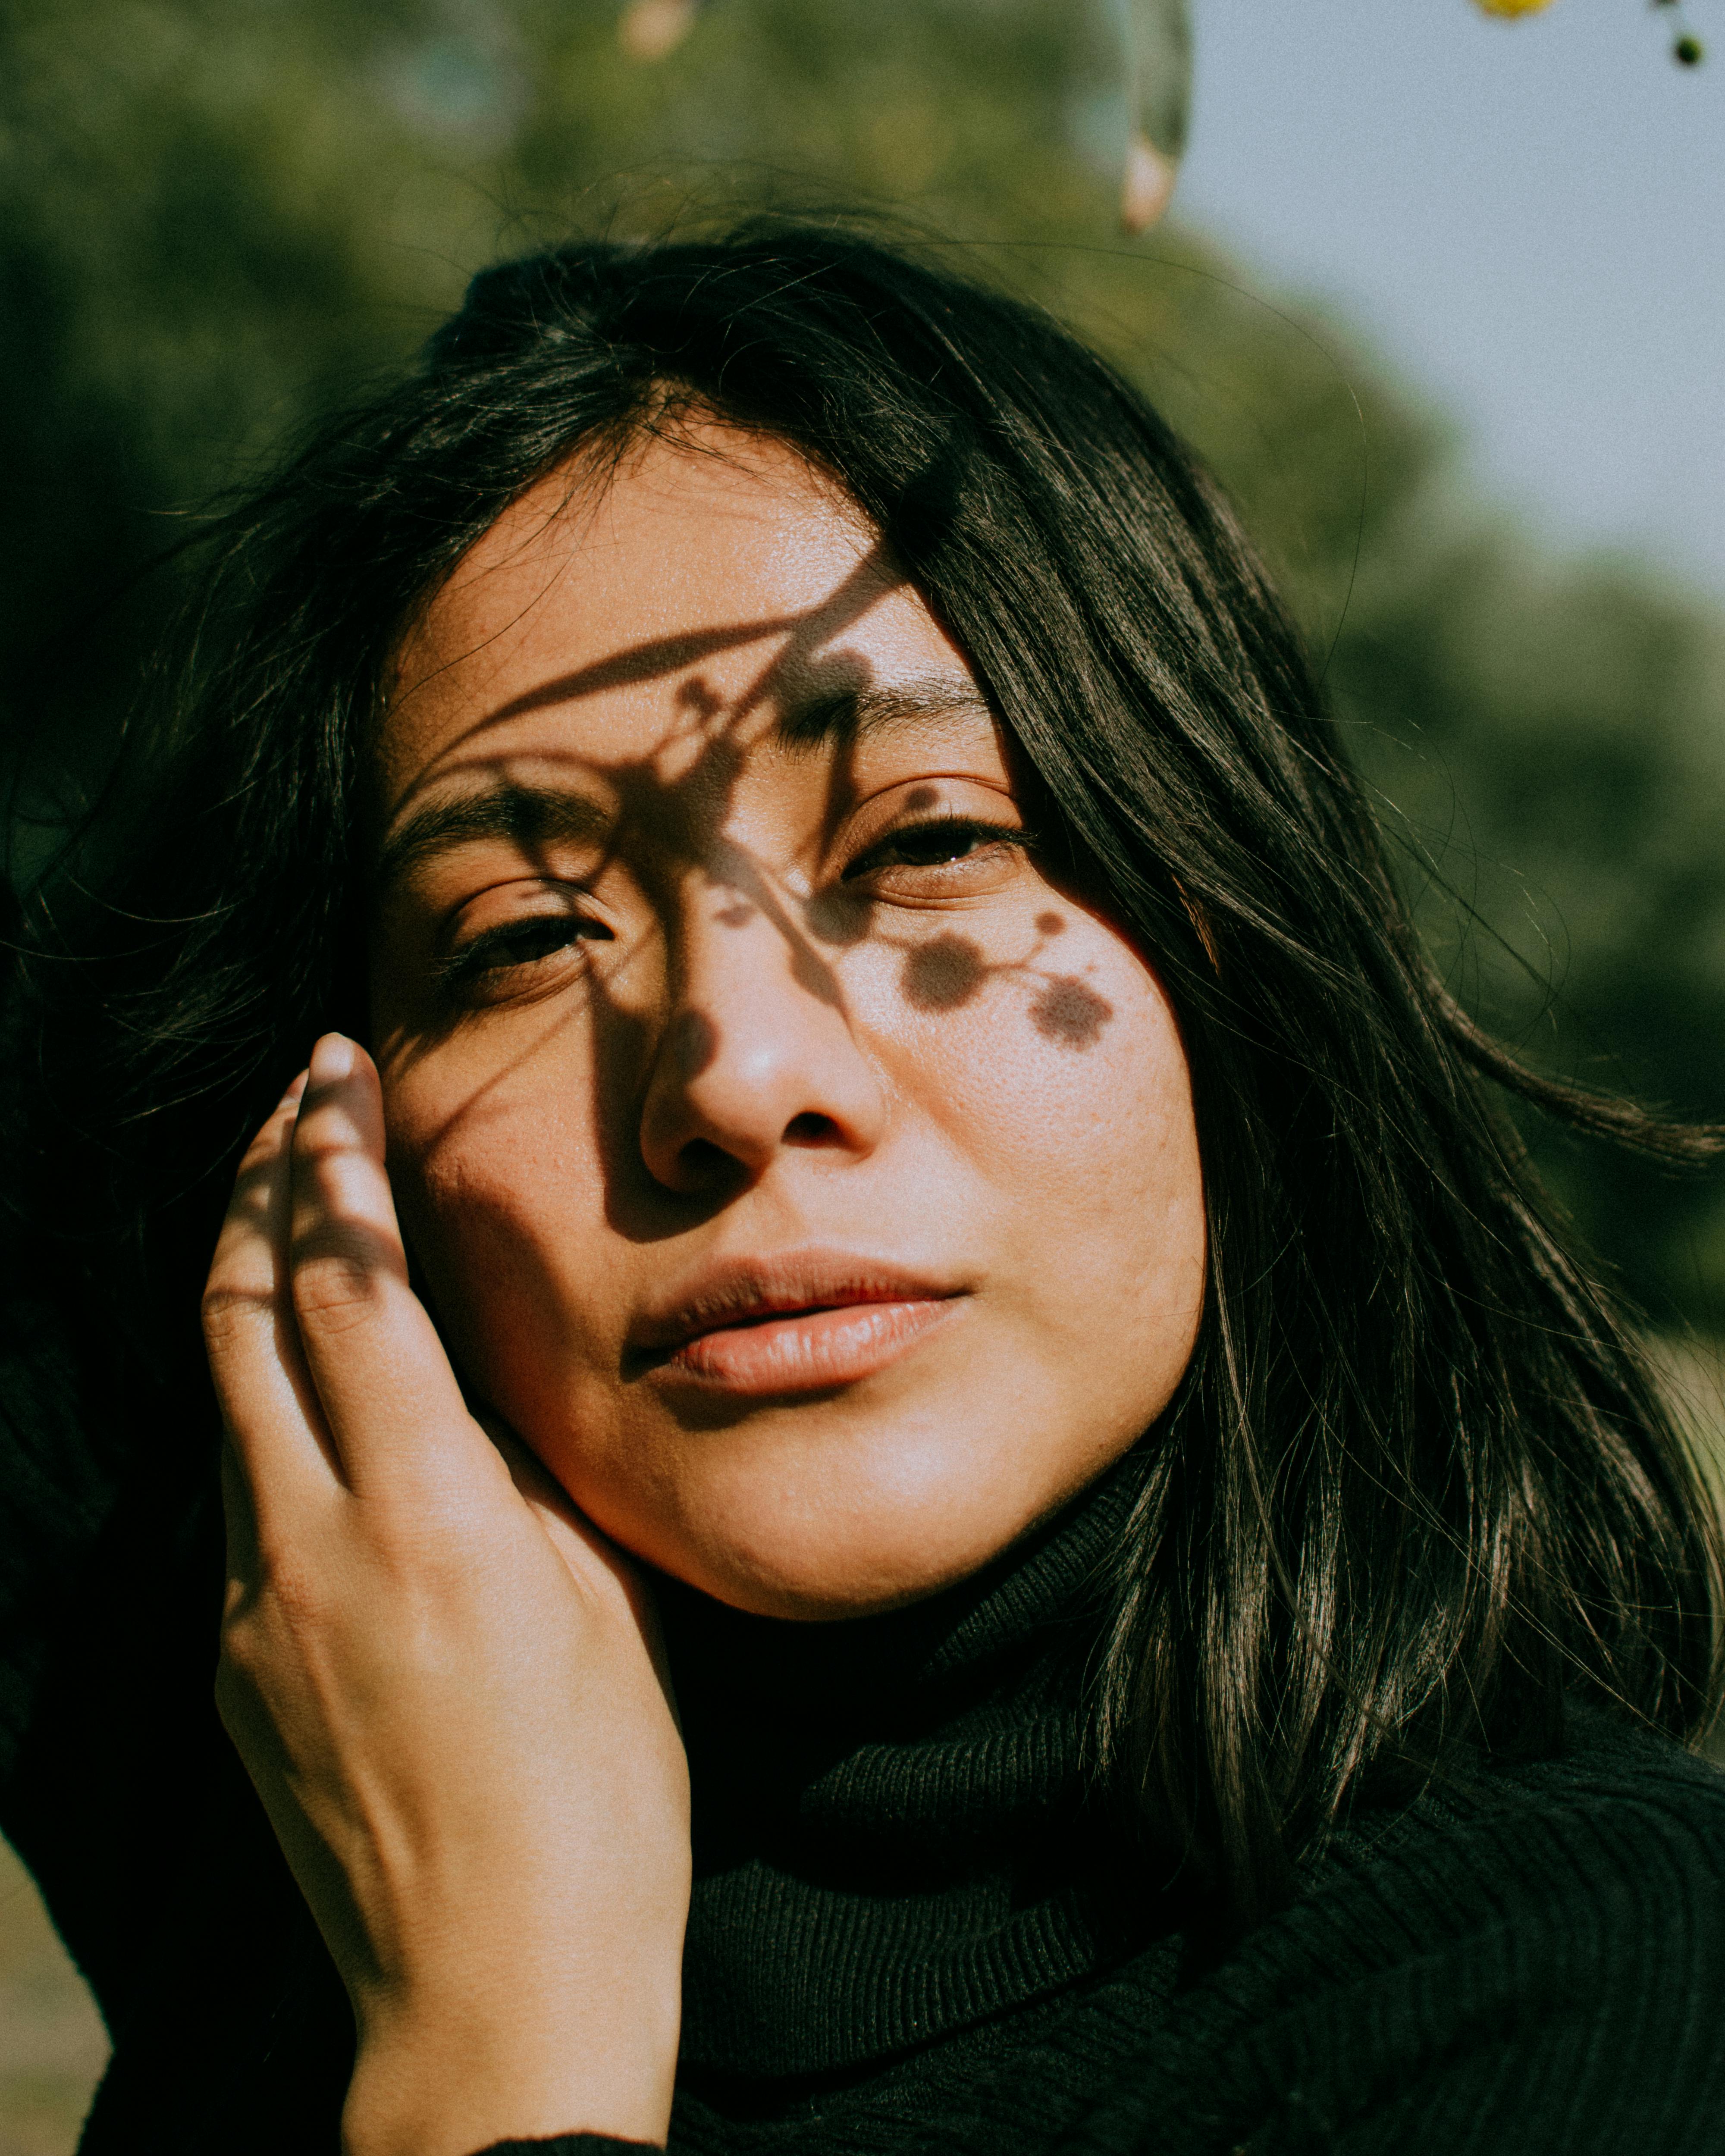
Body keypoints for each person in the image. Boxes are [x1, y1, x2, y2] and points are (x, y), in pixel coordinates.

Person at [2, 221, 1723, 2156]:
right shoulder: (256, 1754)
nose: (736, 1074)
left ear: (1237, 940)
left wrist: (498, 2049)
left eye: (928, 839)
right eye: (521, 933)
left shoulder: (1588, 1987)